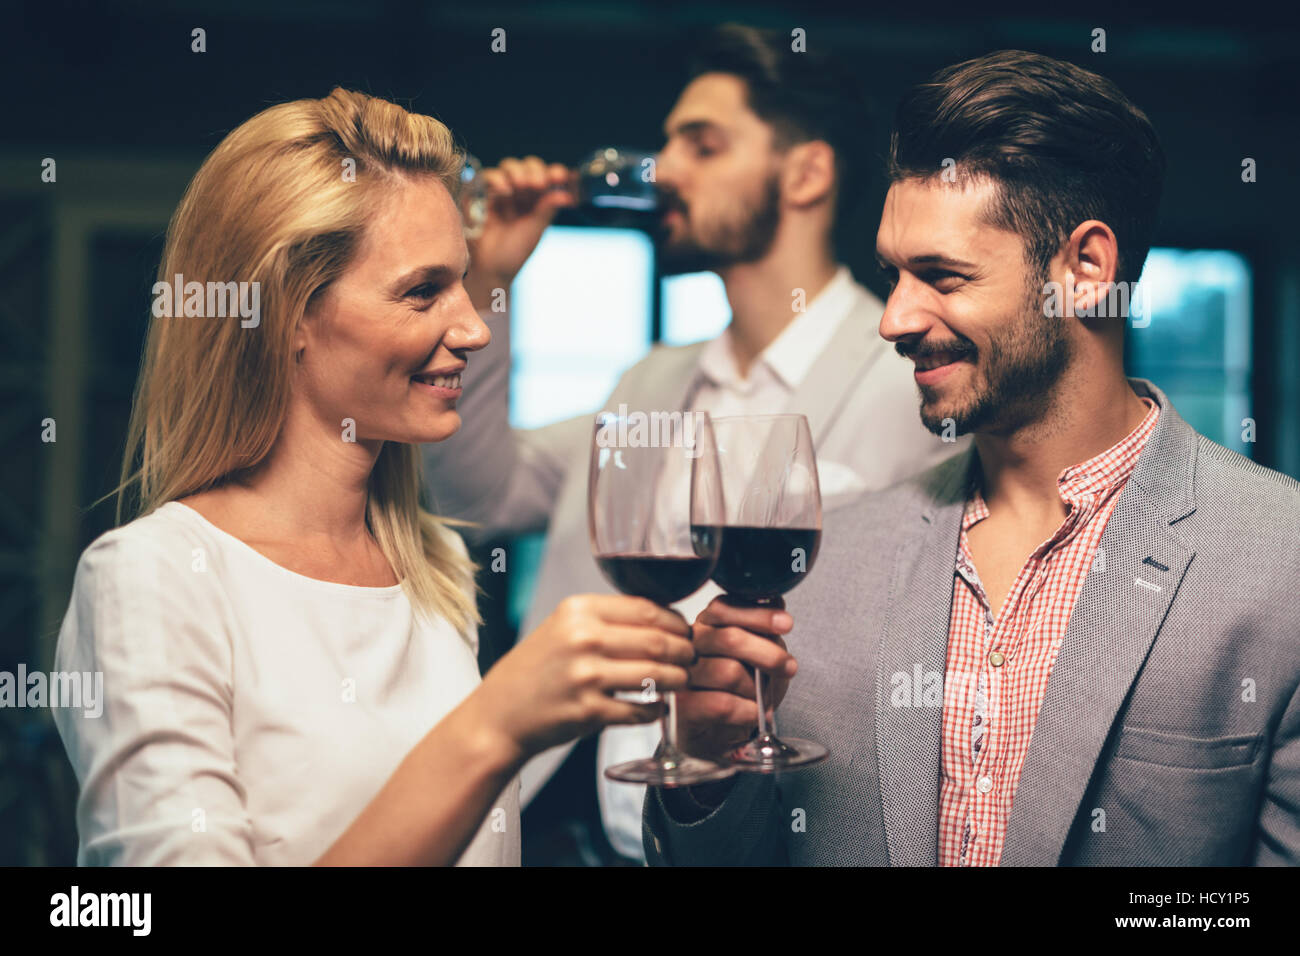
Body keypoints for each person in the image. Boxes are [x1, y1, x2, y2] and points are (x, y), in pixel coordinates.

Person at [644, 50, 1300, 866]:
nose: (893, 319)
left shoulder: (1283, 560)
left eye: (941, 276)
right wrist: (705, 768)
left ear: (1086, 269)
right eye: (893, 276)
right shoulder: (828, 562)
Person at [51, 87, 697, 866]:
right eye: (423, 291)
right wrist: (492, 728)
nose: (475, 326)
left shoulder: (434, 566)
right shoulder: (152, 580)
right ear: (287, 311)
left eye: (465, 284)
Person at [420, 23, 968, 862]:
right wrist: (488, 279)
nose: (666, 169)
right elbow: (472, 495)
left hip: (762, 835)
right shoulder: (649, 382)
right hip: (553, 825)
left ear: (807, 173)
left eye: (702, 145)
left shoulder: (915, 388)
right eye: (670, 142)